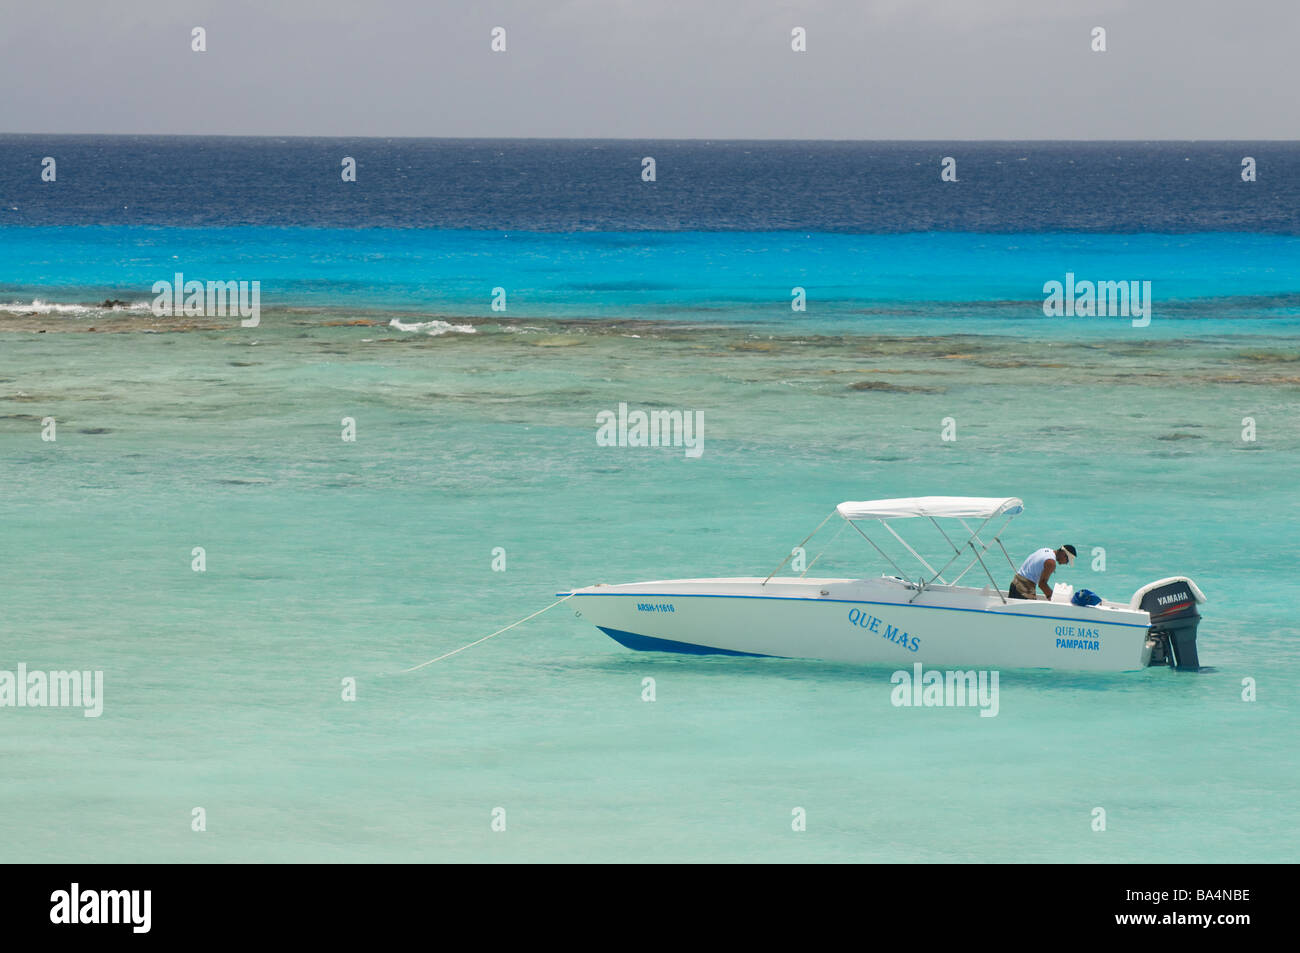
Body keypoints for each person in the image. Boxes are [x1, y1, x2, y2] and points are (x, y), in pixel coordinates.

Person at [1008, 544, 1077, 600]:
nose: (1066, 563)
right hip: (1024, 589)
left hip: (1015, 583)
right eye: (1067, 560)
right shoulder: (1051, 563)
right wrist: (1052, 598)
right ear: (1063, 554)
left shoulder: (1045, 550)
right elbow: (1042, 584)